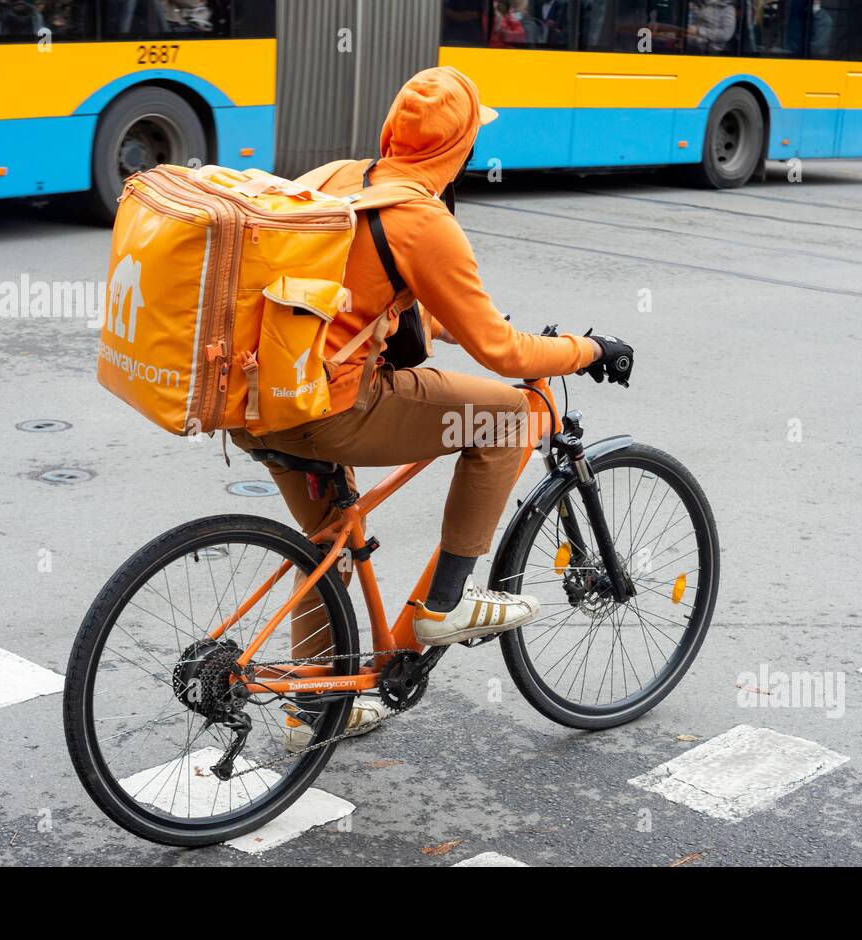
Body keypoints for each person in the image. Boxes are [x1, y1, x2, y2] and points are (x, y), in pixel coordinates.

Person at [229, 66, 632, 745]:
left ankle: (311, 708)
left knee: (329, 540)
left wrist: (441, 321)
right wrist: (586, 350)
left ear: (393, 131)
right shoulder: (422, 218)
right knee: (510, 416)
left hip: (261, 399)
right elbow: (504, 355)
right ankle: (445, 603)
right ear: (462, 152)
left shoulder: (337, 176)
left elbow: (350, 292)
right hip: (334, 405)